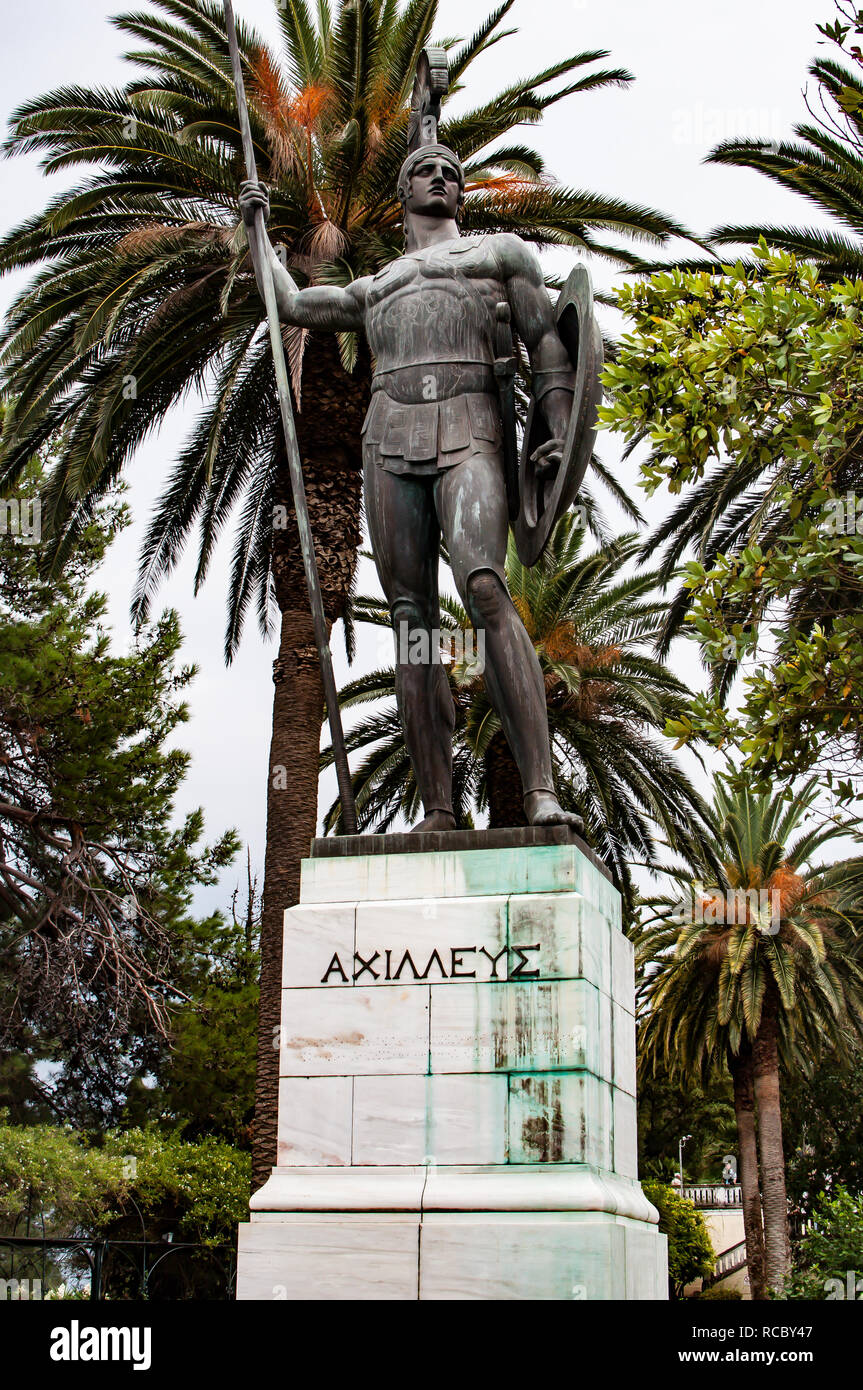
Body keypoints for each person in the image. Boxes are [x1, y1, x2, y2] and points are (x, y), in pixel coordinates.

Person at [239, 143, 582, 832]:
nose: (442, 177)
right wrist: (257, 233)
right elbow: (293, 303)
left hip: (471, 425)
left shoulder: (500, 255)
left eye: (452, 172)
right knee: (409, 619)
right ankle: (438, 808)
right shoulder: (377, 286)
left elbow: (548, 344)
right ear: (404, 191)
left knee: (484, 586)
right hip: (387, 437)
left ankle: (540, 791)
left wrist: (554, 425)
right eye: (427, 169)